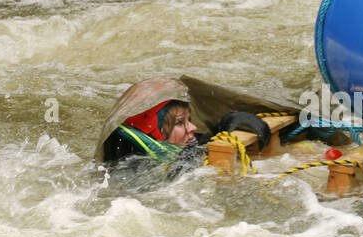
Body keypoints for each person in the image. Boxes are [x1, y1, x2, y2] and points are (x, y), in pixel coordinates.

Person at [95, 76, 273, 183]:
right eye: (180, 123)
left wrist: (227, 124)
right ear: (153, 132)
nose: (193, 128)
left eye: (189, 119)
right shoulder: (130, 168)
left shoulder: (163, 148)